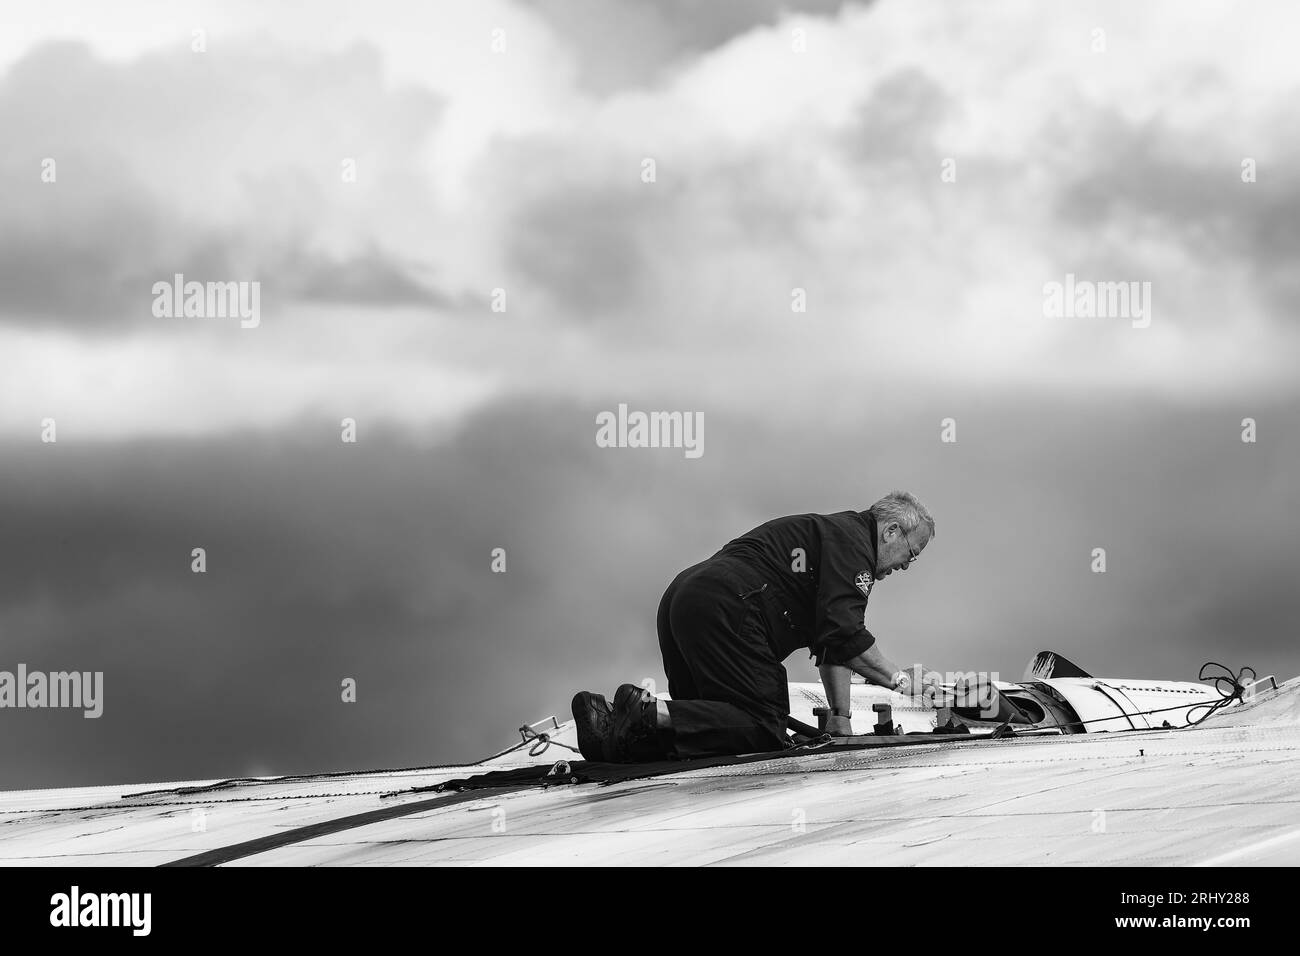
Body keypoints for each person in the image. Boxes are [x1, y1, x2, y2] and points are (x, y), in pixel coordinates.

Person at [571, 490, 935, 762]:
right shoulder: (854, 546)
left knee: (709, 729)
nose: (905, 566)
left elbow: (833, 645)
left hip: (685, 598)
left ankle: (610, 728)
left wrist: (840, 718)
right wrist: (902, 682)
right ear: (890, 531)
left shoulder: (833, 537)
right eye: (912, 555)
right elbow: (846, 632)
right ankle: (645, 710)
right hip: (731, 604)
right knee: (763, 728)